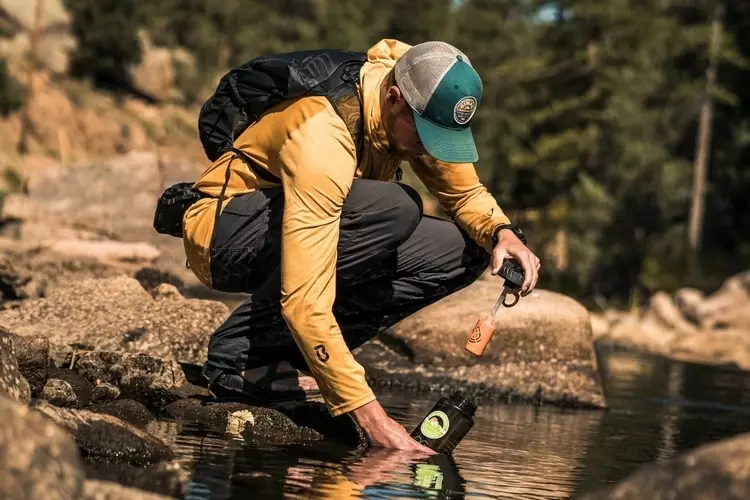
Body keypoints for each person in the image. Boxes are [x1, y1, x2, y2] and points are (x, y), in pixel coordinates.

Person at [181, 39, 541, 453]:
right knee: (396, 207)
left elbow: (464, 194)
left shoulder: (419, 102)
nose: (430, 149)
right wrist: (369, 415)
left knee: (465, 250)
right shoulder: (322, 133)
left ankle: (283, 356)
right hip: (224, 233)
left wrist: (503, 233)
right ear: (393, 98)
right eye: (426, 136)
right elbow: (304, 300)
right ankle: (241, 353)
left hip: (301, 229)